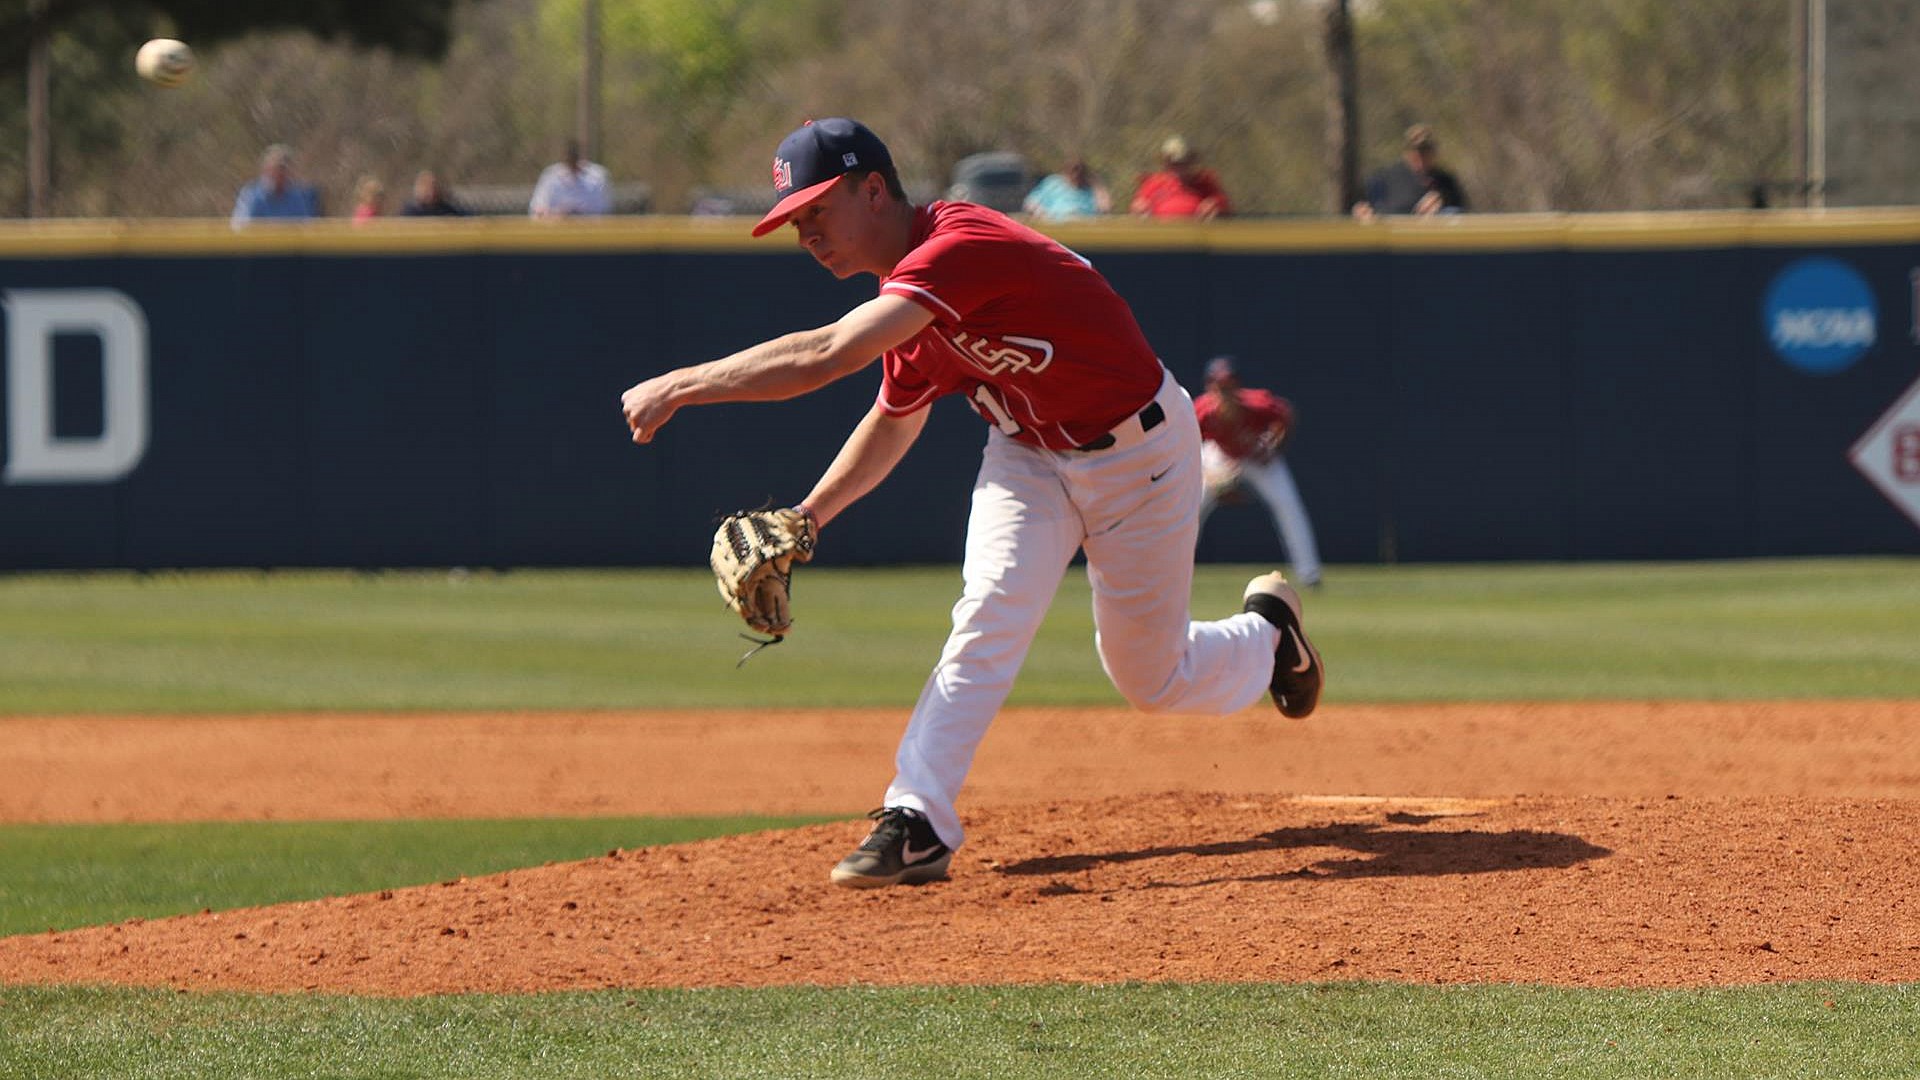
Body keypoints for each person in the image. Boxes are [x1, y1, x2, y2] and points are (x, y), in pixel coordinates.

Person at [618, 117, 1324, 890]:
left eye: (817, 210)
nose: (805, 235)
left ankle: (1268, 637)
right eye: (795, 220)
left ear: (875, 189)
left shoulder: (958, 248)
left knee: (1151, 679)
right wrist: (808, 515)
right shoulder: (910, 312)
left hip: (1142, 454)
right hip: (1027, 454)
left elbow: (827, 354)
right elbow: (892, 421)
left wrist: (681, 384)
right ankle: (917, 821)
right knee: (988, 608)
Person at [1194, 356, 1322, 588]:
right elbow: (1188, 449)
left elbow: (1286, 415)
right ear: (1209, 387)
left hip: (1257, 458)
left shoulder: (1257, 404)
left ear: (1238, 385)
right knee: (1191, 509)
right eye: (1218, 385)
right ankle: (1176, 573)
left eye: (1229, 384)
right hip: (1220, 456)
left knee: (1288, 505)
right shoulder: (1202, 412)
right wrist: (1211, 479)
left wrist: (1275, 447)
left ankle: (1309, 574)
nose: (1224, 390)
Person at [1351, 123, 1468, 221]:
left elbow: (1460, 215)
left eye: (1426, 151)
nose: (1421, 157)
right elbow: (1364, 208)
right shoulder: (1385, 178)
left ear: (1434, 152)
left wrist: (1440, 210)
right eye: (1416, 151)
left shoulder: (1446, 183)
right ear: (1407, 152)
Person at [1129, 136, 1230, 220]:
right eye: (1173, 163)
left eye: (1183, 162)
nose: (1178, 167)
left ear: (1191, 161)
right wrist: (1139, 208)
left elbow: (1223, 203)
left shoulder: (1204, 182)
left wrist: (1215, 205)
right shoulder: (1153, 182)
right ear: (1165, 163)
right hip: (1161, 236)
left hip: (1196, 236)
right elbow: (1137, 206)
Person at [230, 144, 321, 226]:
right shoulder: (251, 196)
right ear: (266, 170)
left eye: (285, 169)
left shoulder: (296, 197)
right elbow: (240, 228)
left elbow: (307, 226)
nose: (282, 174)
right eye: (278, 169)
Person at [530, 140, 612, 218]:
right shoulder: (550, 176)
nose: (572, 163)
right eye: (569, 159)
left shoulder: (598, 177)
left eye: (575, 158)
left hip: (589, 228)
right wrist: (558, 213)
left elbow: (605, 211)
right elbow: (537, 209)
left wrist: (579, 212)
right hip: (556, 228)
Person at [1023, 158, 1111, 221]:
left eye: (1079, 171)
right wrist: (1041, 215)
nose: (1076, 175)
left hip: (1084, 225)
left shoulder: (1091, 188)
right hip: (1057, 225)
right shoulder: (1053, 184)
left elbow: (1105, 208)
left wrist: (1096, 185)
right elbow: (1030, 203)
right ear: (1066, 172)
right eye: (1073, 170)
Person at [401, 170, 467, 216]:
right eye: (425, 186)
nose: (430, 192)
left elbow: (463, 216)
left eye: (433, 186)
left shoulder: (445, 210)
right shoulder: (411, 212)